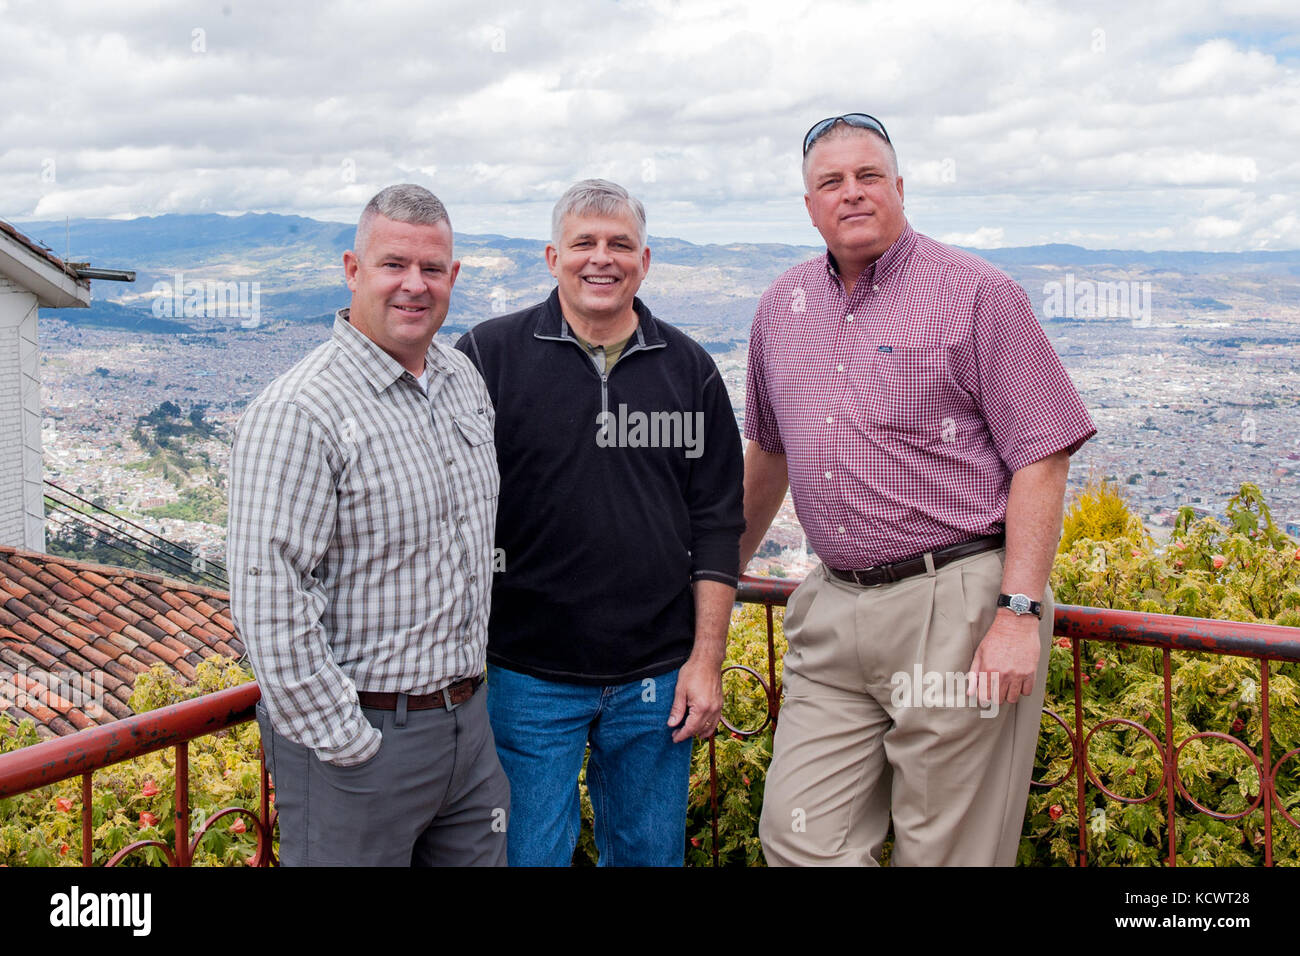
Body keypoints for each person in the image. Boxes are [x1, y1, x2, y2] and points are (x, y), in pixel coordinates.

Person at [744, 115, 1096, 866]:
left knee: (948, 852)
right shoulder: (780, 309)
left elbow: (1043, 453)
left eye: (869, 176)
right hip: (832, 606)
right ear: (808, 205)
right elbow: (768, 454)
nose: (852, 194)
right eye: (830, 182)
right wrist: (714, 577)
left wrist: (1019, 614)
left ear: (900, 188)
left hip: (956, 606)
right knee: (799, 838)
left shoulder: (976, 293)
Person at [455, 179, 744, 866]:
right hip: (526, 674)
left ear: (645, 261)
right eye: (584, 243)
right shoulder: (487, 356)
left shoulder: (690, 370)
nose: (601, 258)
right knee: (526, 856)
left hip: (657, 679)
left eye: (620, 245)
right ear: (553, 256)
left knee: (649, 856)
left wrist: (706, 661)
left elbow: (716, 524)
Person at [227, 184, 509, 866]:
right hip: (361, 744)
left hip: (468, 733)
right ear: (353, 270)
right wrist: (346, 742)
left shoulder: (462, 380)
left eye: (432, 269)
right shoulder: (300, 410)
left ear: (453, 278)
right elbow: (269, 594)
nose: (414, 285)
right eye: (393, 265)